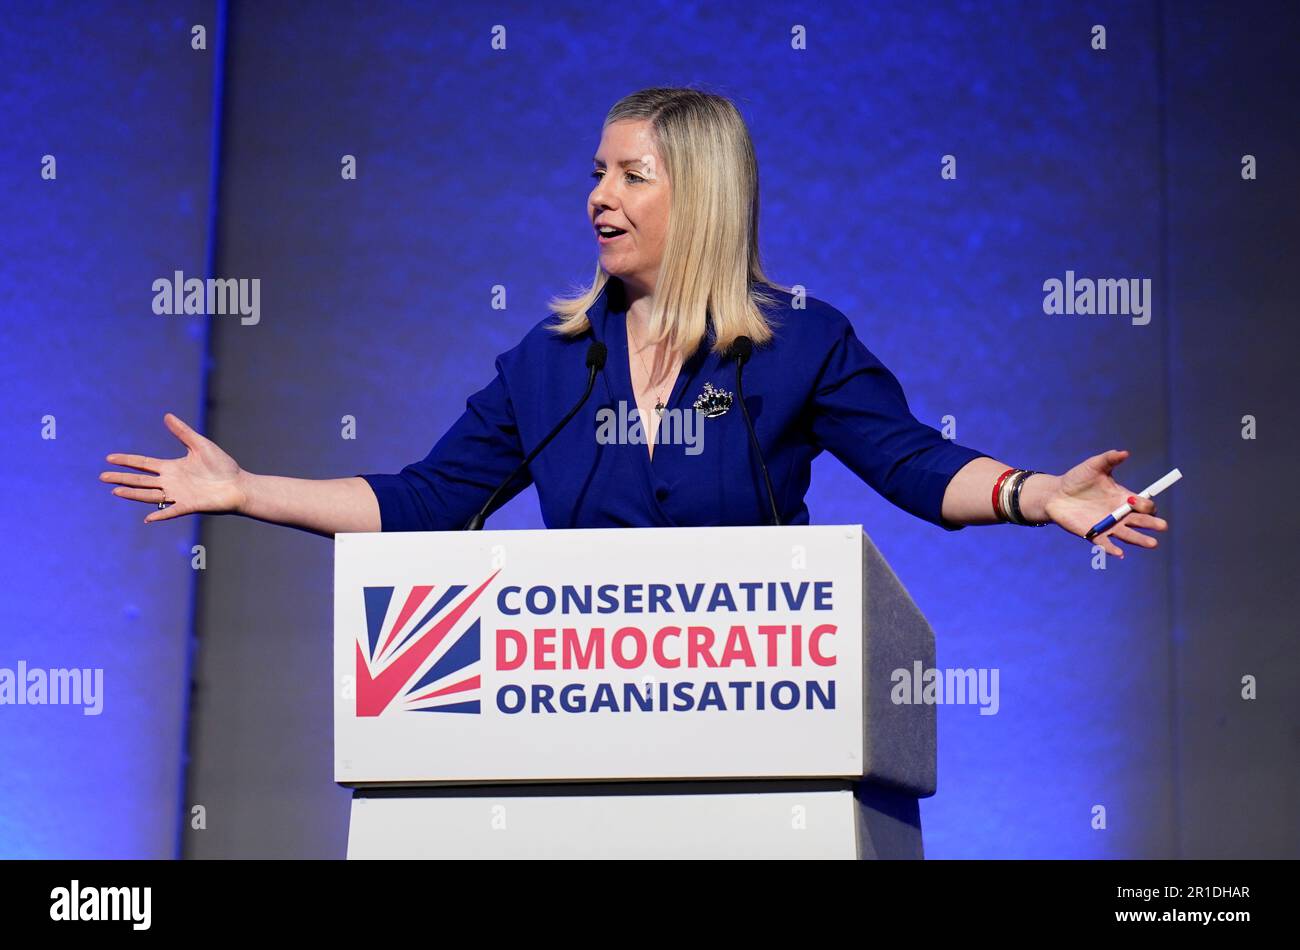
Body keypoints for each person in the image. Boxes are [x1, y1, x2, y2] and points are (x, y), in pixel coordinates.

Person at [101, 87, 1165, 557]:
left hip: (764, 726)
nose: (596, 198)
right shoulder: (548, 362)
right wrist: (245, 491)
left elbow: (914, 466)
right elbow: (424, 499)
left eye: (629, 175)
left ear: (697, 195)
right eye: (594, 174)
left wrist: (1037, 496)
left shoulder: (800, 342)